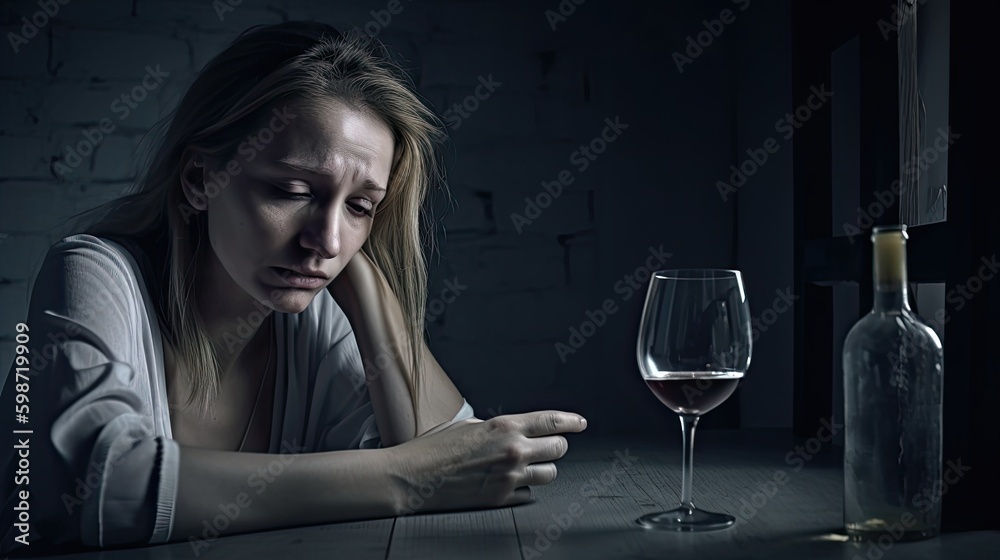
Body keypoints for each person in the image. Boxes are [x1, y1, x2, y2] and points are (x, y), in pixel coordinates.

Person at [0, 21, 586, 554]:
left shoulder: (314, 320)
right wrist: (403, 479)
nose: (326, 240)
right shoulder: (94, 273)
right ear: (200, 178)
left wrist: (371, 295)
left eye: (360, 206)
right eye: (293, 191)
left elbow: (452, 459)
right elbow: (99, 485)